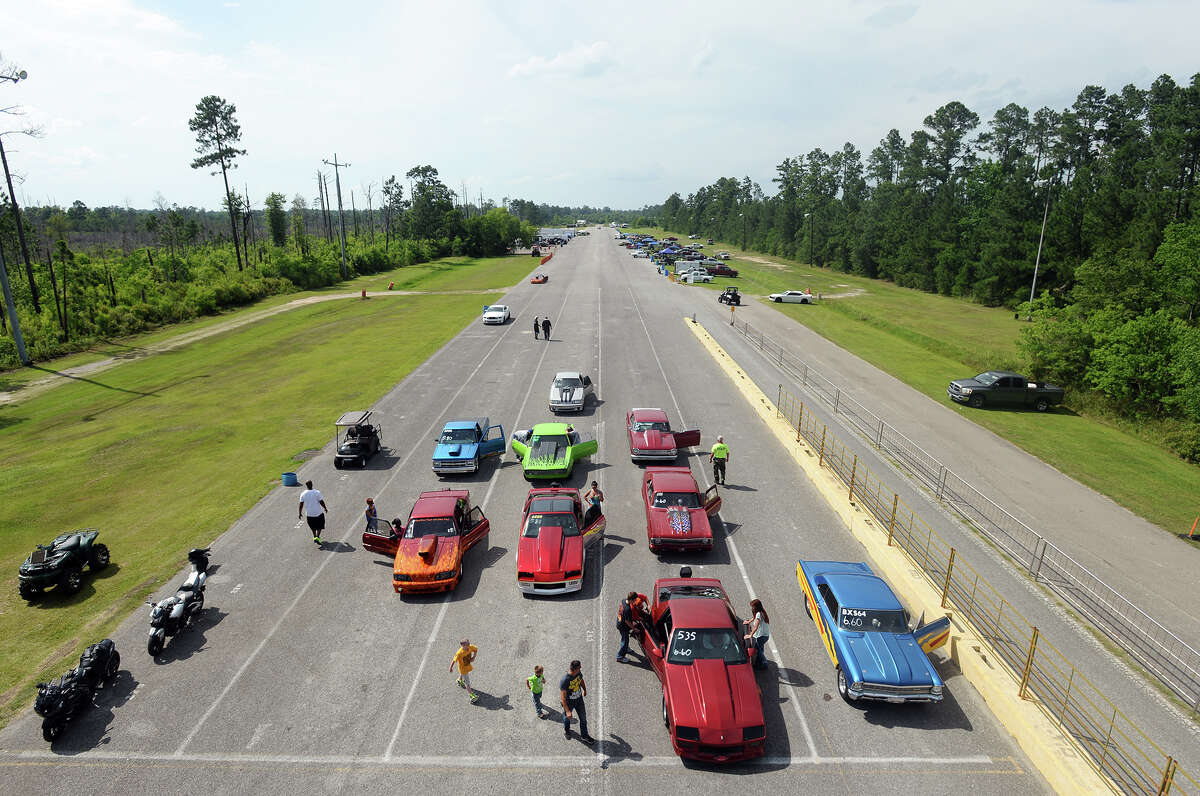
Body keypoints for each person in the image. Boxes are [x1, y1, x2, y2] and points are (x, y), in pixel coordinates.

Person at [560, 660, 593, 744]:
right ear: (575, 669)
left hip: (579, 700)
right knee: (567, 718)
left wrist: (584, 690)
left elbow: (581, 681)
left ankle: (584, 736)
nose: (581, 668)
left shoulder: (578, 674)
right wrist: (567, 711)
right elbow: (563, 698)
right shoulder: (565, 680)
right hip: (569, 703)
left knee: (583, 719)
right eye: (579, 667)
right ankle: (567, 730)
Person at [615, 591, 646, 663]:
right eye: (634, 600)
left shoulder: (623, 600)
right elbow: (627, 622)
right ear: (631, 599)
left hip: (619, 622)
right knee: (625, 641)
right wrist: (634, 629)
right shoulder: (627, 609)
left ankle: (626, 648)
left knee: (624, 639)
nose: (635, 601)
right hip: (623, 626)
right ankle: (620, 657)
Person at [298, 480, 328, 545]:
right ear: (312, 484)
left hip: (309, 514)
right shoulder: (317, 492)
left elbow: (301, 505)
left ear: (306, 485)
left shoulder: (303, 494)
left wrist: (300, 513)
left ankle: (314, 536)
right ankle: (317, 536)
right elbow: (321, 502)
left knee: (313, 527)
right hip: (318, 513)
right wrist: (325, 508)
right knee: (320, 526)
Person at [743, 599, 770, 670]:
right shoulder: (762, 612)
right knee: (761, 647)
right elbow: (754, 617)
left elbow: (755, 627)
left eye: (753, 606)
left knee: (758, 649)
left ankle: (764, 663)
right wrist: (749, 621)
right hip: (765, 635)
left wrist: (750, 635)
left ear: (756, 607)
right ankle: (760, 661)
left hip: (761, 636)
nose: (752, 608)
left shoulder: (758, 614)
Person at [450, 638, 479, 703]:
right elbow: (454, 660)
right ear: (463, 646)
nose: (469, 644)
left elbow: (476, 650)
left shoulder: (470, 647)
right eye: (467, 644)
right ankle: (472, 695)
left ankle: (459, 680)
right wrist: (451, 667)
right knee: (467, 683)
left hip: (467, 666)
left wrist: (473, 657)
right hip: (463, 669)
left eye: (469, 643)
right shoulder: (459, 653)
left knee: (463, 675)